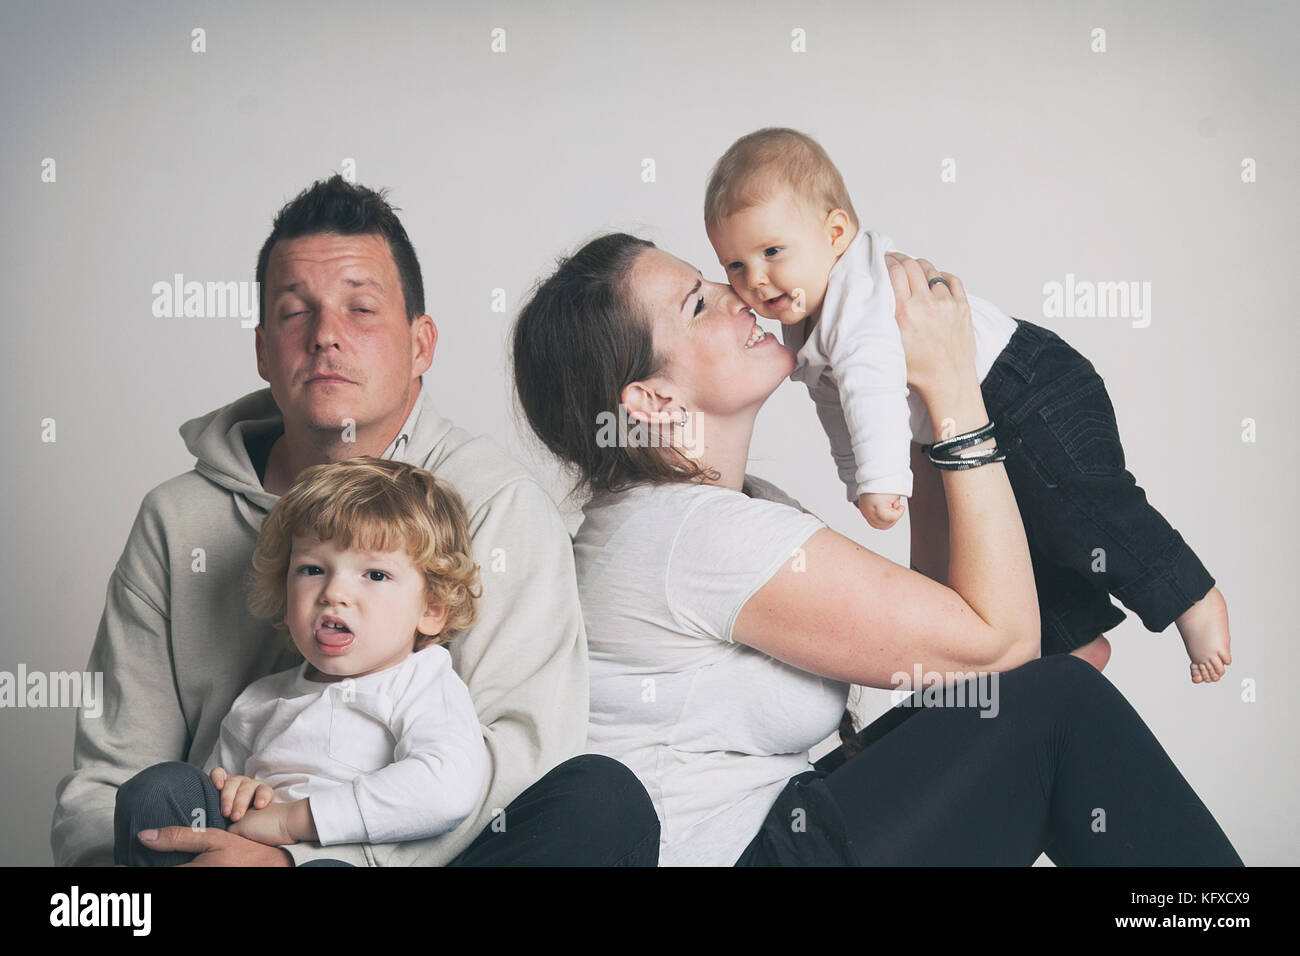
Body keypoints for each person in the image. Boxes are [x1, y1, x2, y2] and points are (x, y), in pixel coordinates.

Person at [510, 230, 1243, 866]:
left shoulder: (719, 508)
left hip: (780, 828)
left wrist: (917, 406)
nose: (738, 293)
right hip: (748, 857)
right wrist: (956, 384)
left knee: (1033, 695)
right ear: (653, 402)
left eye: (712, 278)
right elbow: (999, 645)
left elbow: (954, 647)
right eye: (698, 304)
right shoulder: (689, 536)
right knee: (1057, 706)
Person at [52, 176, 659, 867]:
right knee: (150, 800)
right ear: (261, 349)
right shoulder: (175, 520)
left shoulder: (496, 504)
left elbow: (512, 767)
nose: (326, 337)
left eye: (361, 309)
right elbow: (110, 779)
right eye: (294, 313)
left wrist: (297, 860)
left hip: (396, 857)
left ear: (421, 343)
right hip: (213, 849)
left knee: (600, 802)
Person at [703, 127, 1230, 684]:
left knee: (1081, 509)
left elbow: (871, 386)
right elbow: (836, 409)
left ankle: (1190, 596)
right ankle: (1073, 641)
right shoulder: (808, 328)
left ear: (835, 233)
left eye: (771, 252)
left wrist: (882, 480)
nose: (755, 279)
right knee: (1014, 533)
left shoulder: (857, 296)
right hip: (974, 413)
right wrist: (857, 475)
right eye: (735, 266)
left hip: (1026, 385)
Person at [113, 457, 490, 866]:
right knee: (160, 788)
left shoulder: (421, 680)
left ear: (432, 609)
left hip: (340, 857)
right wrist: (236, 790)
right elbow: (219, 798)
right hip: (238, 852)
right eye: (312, 569)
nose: (334, 592)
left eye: (375, 575)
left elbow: (445, 787)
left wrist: (293, 821)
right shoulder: (261, 698)